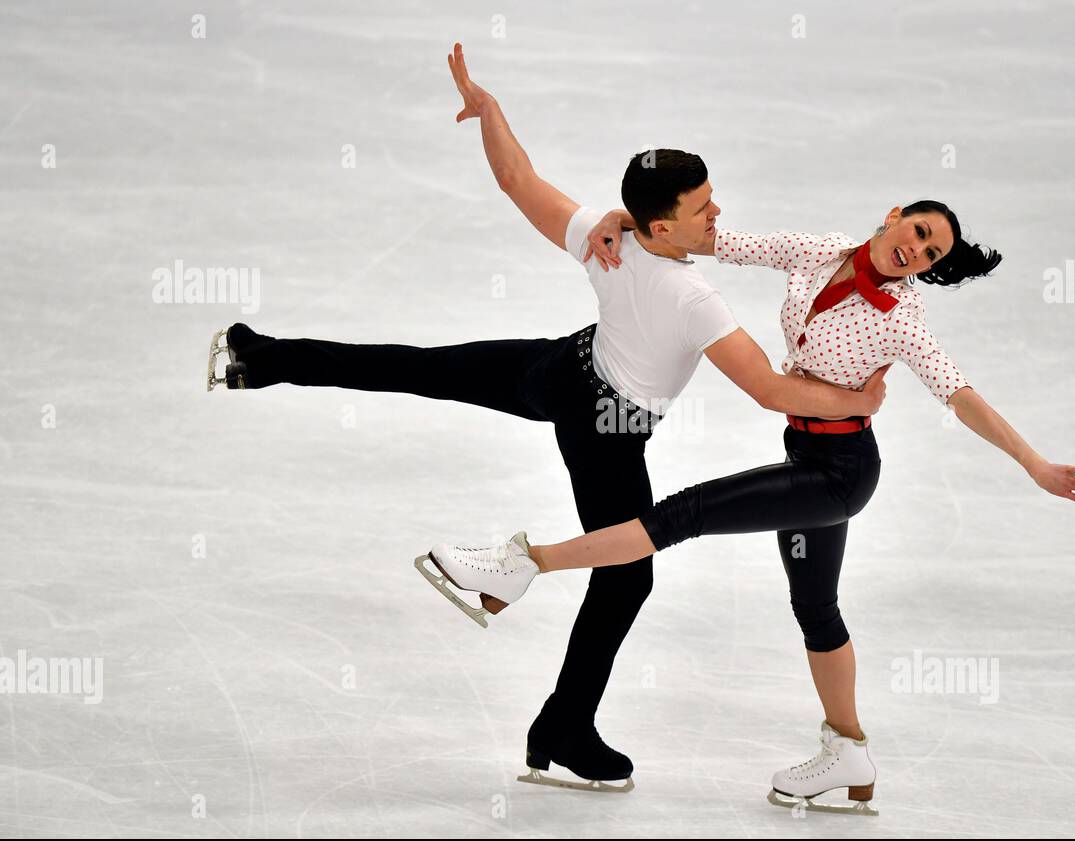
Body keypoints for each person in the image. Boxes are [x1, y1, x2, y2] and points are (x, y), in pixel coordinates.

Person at [205, 43, 886, 792]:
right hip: (609, 425)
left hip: (560, 370)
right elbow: (768, 390)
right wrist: (858, 401)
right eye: (702, 208)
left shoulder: (615, 239)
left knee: (419, 367)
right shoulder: (694, 298)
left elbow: (516, 180)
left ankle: (258, 357)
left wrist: (492, 114)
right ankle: (562, 726)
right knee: (627, 578)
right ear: (665, 227)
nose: (718, 212)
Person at [423, 201, 1075, 812]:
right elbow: (722, 241)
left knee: (681, 515)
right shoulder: (821, 252)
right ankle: (850, 753)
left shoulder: (904, 321)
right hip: (806, 458)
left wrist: (1034, 463)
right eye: (919, 233)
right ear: (895, 215)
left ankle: (519, 567)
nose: (917, 252)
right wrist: (635, 220)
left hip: (838, 474)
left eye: (930, 255)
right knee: (815, 609)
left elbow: (961, 396)